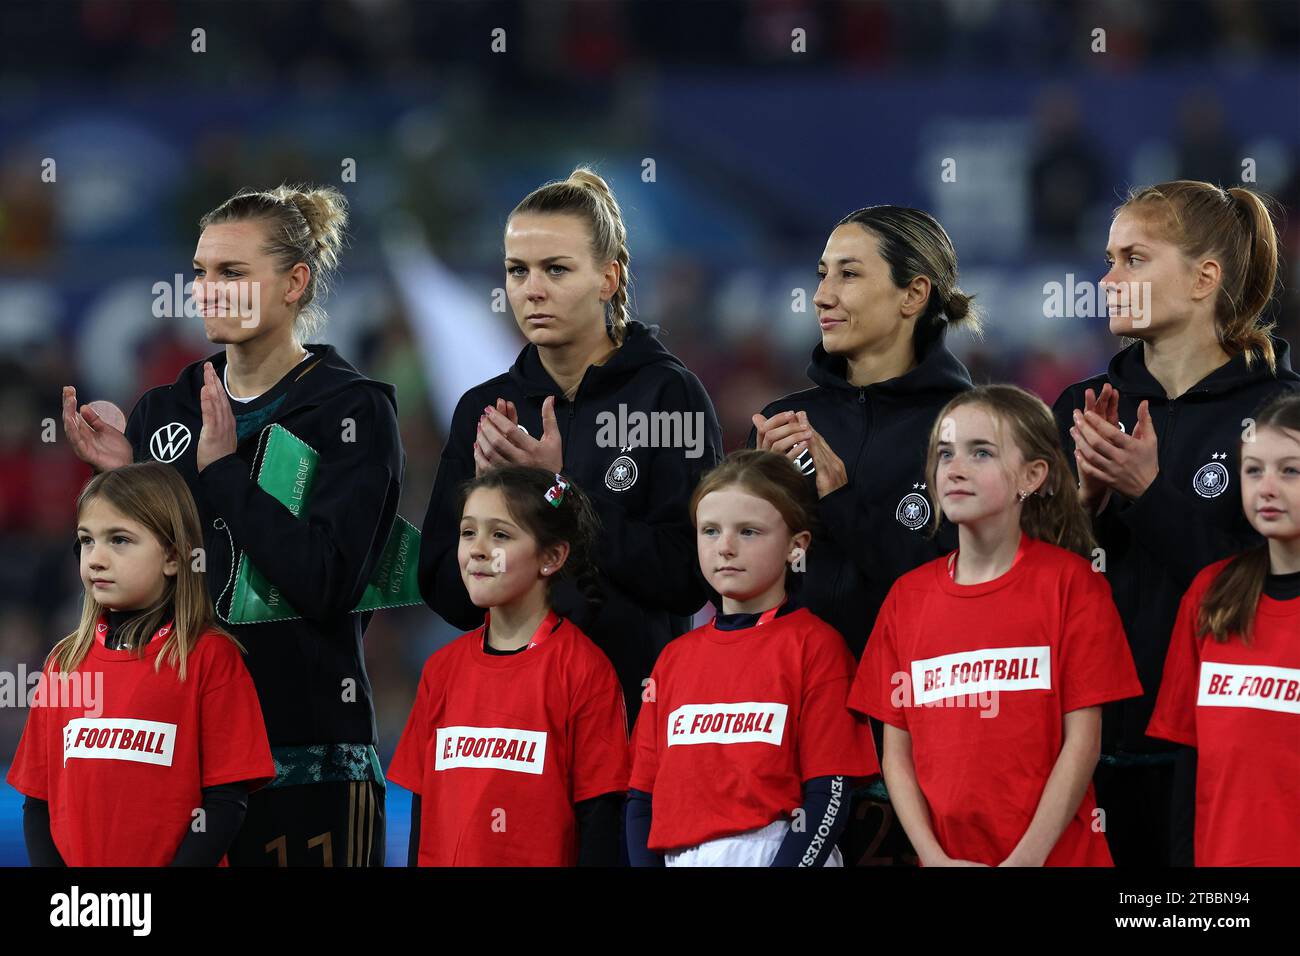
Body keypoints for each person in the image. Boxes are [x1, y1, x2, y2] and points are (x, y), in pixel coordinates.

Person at [61, 184, 405, 866]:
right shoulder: (165, 407)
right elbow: (143, 597)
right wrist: (125, 485)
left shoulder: (353, 411)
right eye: (200, 272)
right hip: (185, 757)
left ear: (293, 283)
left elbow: (325, 582)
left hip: (310, 764)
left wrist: (220, 474)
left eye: (233, 273)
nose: (208, 290)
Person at [1053, 181, 1300, 865]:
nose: (1107, 279)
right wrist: (1086, 504)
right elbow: (1024, 589)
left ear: (1203, 278)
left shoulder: (1283, 416)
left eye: (1134, 259)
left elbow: (1274, 598)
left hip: (1223, 757)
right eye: (1108, 259)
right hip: (1081, 749)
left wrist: (1149, 493)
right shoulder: (1081, 408)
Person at [419, 166, 722, 722]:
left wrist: (560, 491)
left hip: (631, 718)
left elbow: (688, 577)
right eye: (517, 270)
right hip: (514, 723)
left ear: (609, 278)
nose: (532, 289)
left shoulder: (666, 394)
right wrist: (488, 520)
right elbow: (449, 596)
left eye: (556, 269)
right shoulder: (485, 410)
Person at [850, 386, 1142, 866]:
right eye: (945, 453)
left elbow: (1083, 745)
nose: (956, 468)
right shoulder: (907, 597)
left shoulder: (1072, 585)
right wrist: (934, 858)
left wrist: (1024, 861)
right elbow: (896, 756)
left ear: (1032, 475)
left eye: (980, 452)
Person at [7, 462, 274, 866]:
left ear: (172, 555)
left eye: (119, 540)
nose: (95, 558)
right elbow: (37, 803)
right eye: (86, 541)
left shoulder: (210, 659)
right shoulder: (64, 664)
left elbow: (225, 803)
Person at [627, 450, 878, 867]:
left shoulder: (816, 646)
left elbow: (829, 795)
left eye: (748, 532)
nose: (724, 547)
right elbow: (641, 798)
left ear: (796, 546)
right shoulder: (673, 658)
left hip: (780, 852)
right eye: (709, 531)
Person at [749, 205, 976, 657]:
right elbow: (728, 585)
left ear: (912, 295)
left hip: (915, 700)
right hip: (793, 699)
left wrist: (841, 504)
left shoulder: (969, 428)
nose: (821, 296)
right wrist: (757, 502)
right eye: (822, 274)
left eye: (848, 275)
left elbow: (964, 589)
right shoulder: (784, 423)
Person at [390, 467, 627, 866]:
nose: (478, 550)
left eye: (499, 534)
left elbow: (600, 821)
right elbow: (422, 808)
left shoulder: (585, 671)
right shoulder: (440, 670)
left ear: (551, 556)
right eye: (468, 532)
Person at [1147, 392, 1300, 866]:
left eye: (1290, 470)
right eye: (1254, 470)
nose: (1266, 488)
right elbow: (1188, 766)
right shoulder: (1210, 594)